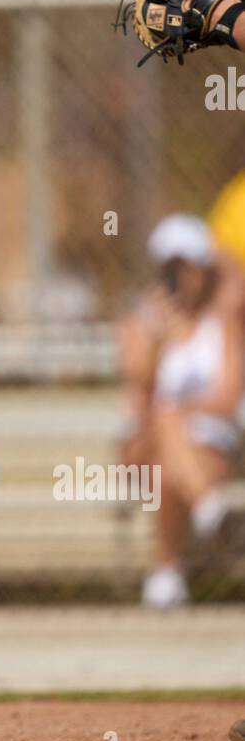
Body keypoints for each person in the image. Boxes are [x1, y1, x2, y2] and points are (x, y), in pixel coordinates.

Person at [119, 215, 245, 609]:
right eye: (172, 268)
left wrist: (180, 409)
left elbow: (227, 399)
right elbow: (140, 399)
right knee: (163, 421)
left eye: (188, 266)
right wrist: (157, 339)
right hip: (145, 446)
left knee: (168, 463)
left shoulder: (223, 323)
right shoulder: (141, 324)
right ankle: (210, 508)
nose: (182, 278)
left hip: (202, 448)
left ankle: (166, 573)